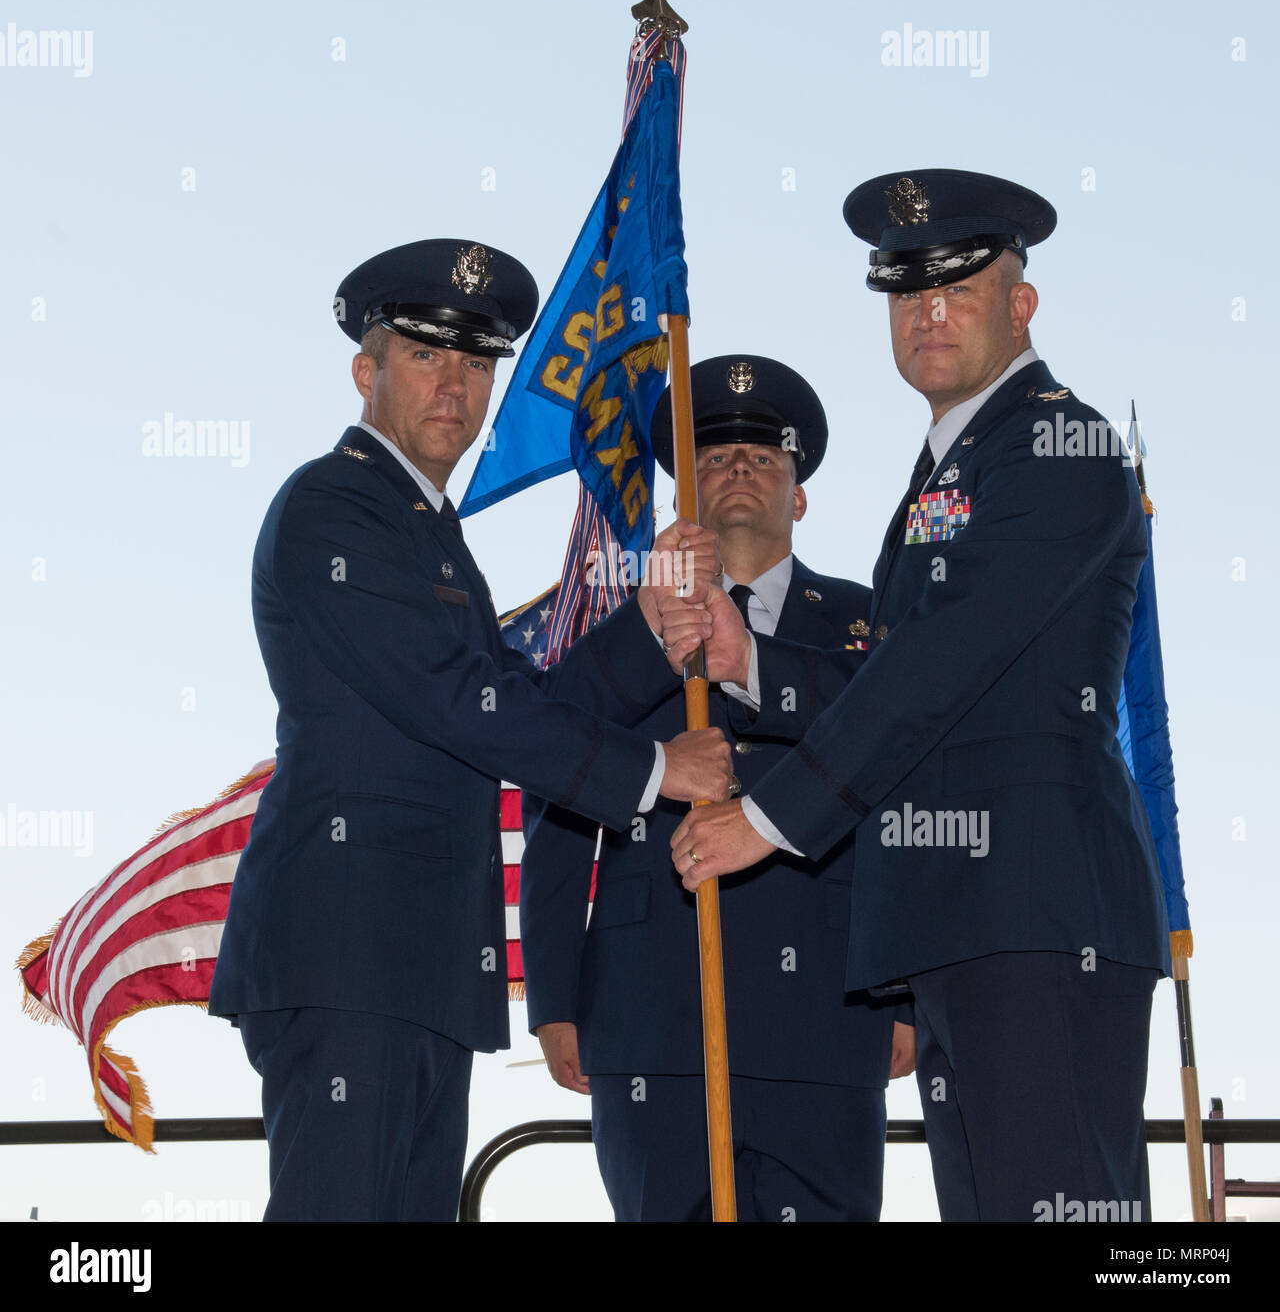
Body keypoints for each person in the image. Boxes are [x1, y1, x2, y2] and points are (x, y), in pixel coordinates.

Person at [665, 173, 1171, 1223]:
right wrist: (749, 660)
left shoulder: (1055, 445)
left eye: (956, 288)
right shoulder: (951, 465)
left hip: (1035, 915)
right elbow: (899, 672)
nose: (926, 315)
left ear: (1019, 303)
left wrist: (769, 817)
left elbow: (947, 658)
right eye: (905, 295)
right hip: (956, 923)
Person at [208, 238, 731, 1221]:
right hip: (350, 955)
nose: (455, 383)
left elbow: (514, 690)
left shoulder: (423, 530)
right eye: (423, 355)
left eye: (475, 361)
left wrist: (650, 627)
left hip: (412, 967)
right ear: (365, 372)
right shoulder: (336, 507)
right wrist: (656, 767)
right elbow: (460, 701)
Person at [520, 354, 913, 1222]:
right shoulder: (623, 630)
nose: (739, 467)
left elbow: (901, 806)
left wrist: (907, 993)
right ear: (679, 499)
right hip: (649, 1016)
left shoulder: (867, 624)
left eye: (764, 457)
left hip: (826, 1015)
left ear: (800, 495)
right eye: (714, 456)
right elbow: (555, 800)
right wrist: (554, 998)